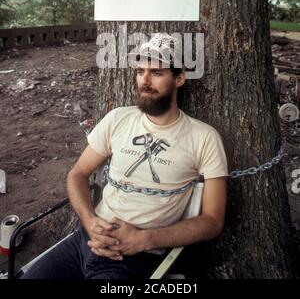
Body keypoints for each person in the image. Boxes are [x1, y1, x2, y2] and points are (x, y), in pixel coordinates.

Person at [21, 33, 227, 280]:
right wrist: (89, 221)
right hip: (86, 240)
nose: (145, 80)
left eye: (157, 73)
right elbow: (78, 173)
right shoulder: (119, 119)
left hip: (134, 257)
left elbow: (213, 221)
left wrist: (143, 239)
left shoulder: (203, 137)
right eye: (140, 71)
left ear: (179, 78)